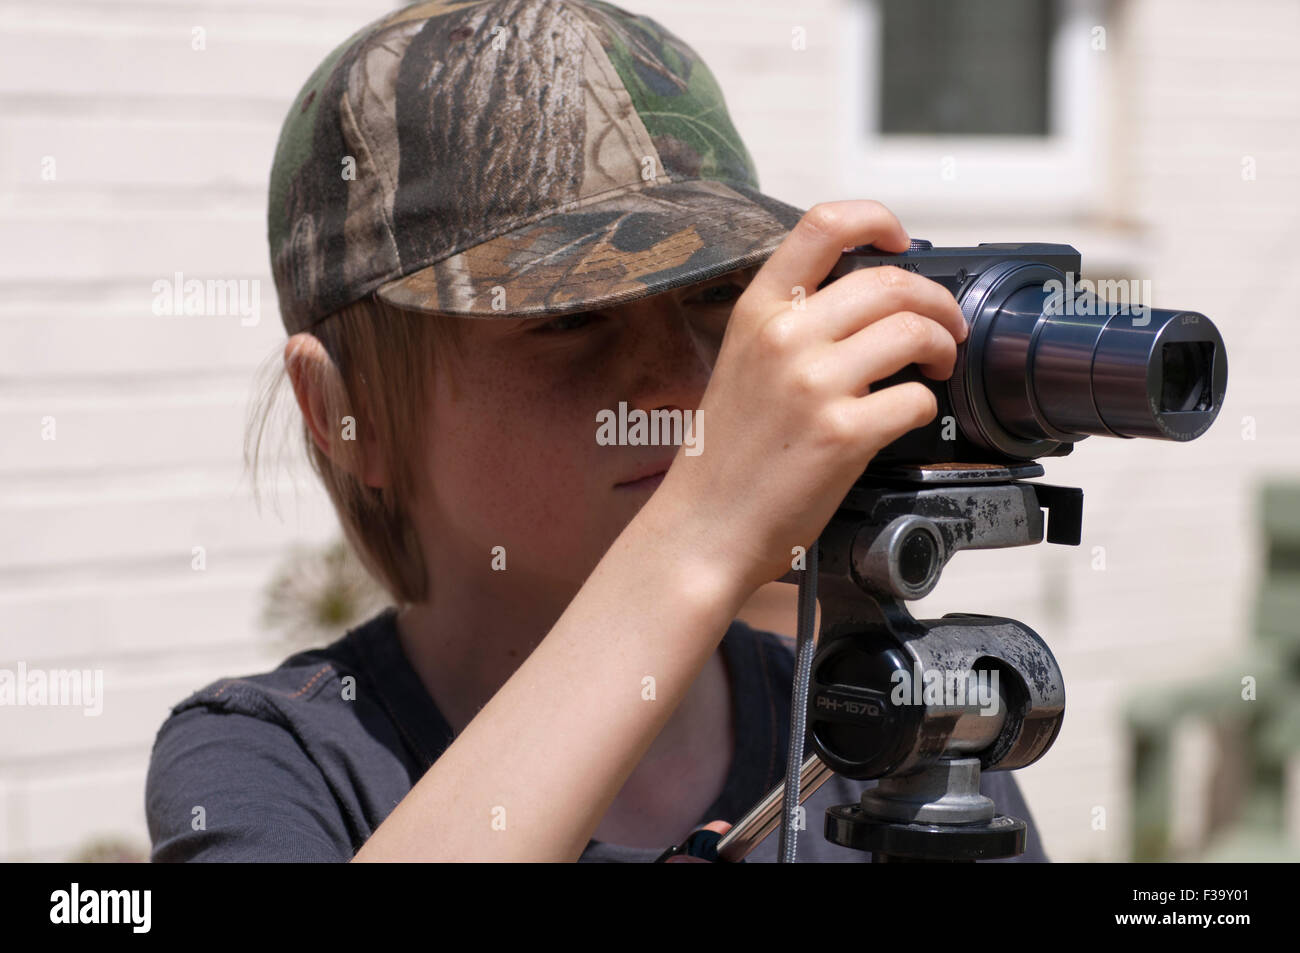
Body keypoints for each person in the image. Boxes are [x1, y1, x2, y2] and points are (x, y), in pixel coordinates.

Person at [146, 0, 1048, 863]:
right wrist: (700, 534)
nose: (682, 382)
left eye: (716, 296)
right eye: (570, 318)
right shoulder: (272, 762)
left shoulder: (886, 727)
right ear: (348, 414)